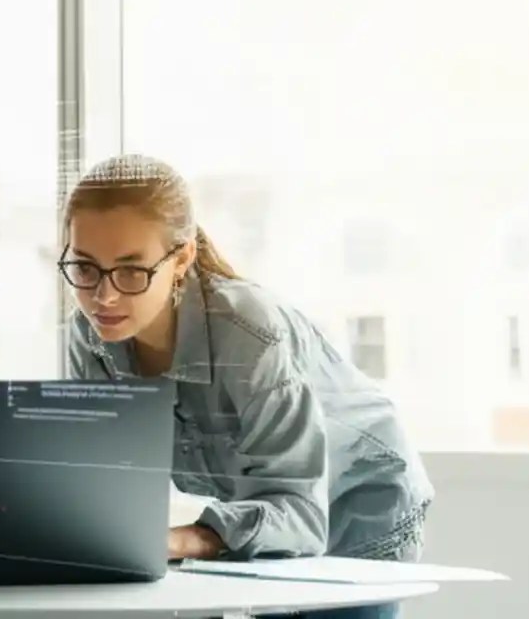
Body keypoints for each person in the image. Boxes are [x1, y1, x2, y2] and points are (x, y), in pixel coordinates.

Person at [59, 155, 433, 619]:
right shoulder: (88, 335)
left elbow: (300, 515)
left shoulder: (249, 334)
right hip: (267, 512)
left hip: (357, 498)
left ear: (182, 259)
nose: (104, 296)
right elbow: (105, 481)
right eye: (86, 268)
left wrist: (188, 538)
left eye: (132, 271)